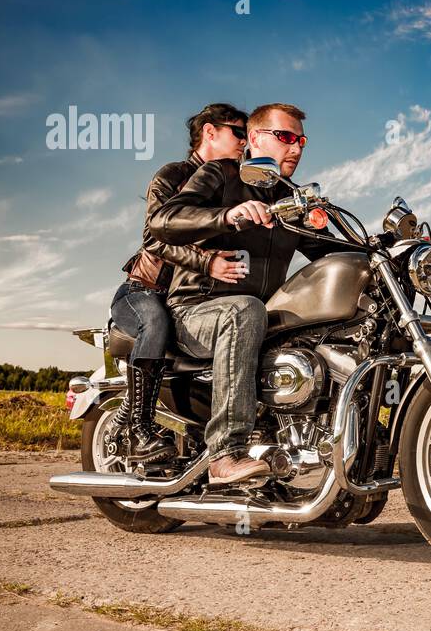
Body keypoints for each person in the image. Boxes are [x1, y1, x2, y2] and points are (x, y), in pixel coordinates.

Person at [149, 102, 347, 484]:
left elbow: (328, 249)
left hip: (253, 314)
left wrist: (386, 249)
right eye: (286, 137)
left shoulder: (291, 197)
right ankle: (225, 453)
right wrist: (227, 215)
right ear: (255, 139)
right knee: (245, 310)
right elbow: (163, 221)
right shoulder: (221, 174)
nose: (297, 147)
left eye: (301, 140)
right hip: (194, 311)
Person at [107, 103, 250, 463]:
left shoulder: (236, 182)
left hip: (191, 299)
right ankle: (138, 429)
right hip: (143, 291)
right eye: (238, 132)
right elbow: (155, 238)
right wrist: (207, 262)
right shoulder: (174, 175)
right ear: (209, 131)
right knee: (155, 321)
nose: (246, 142)